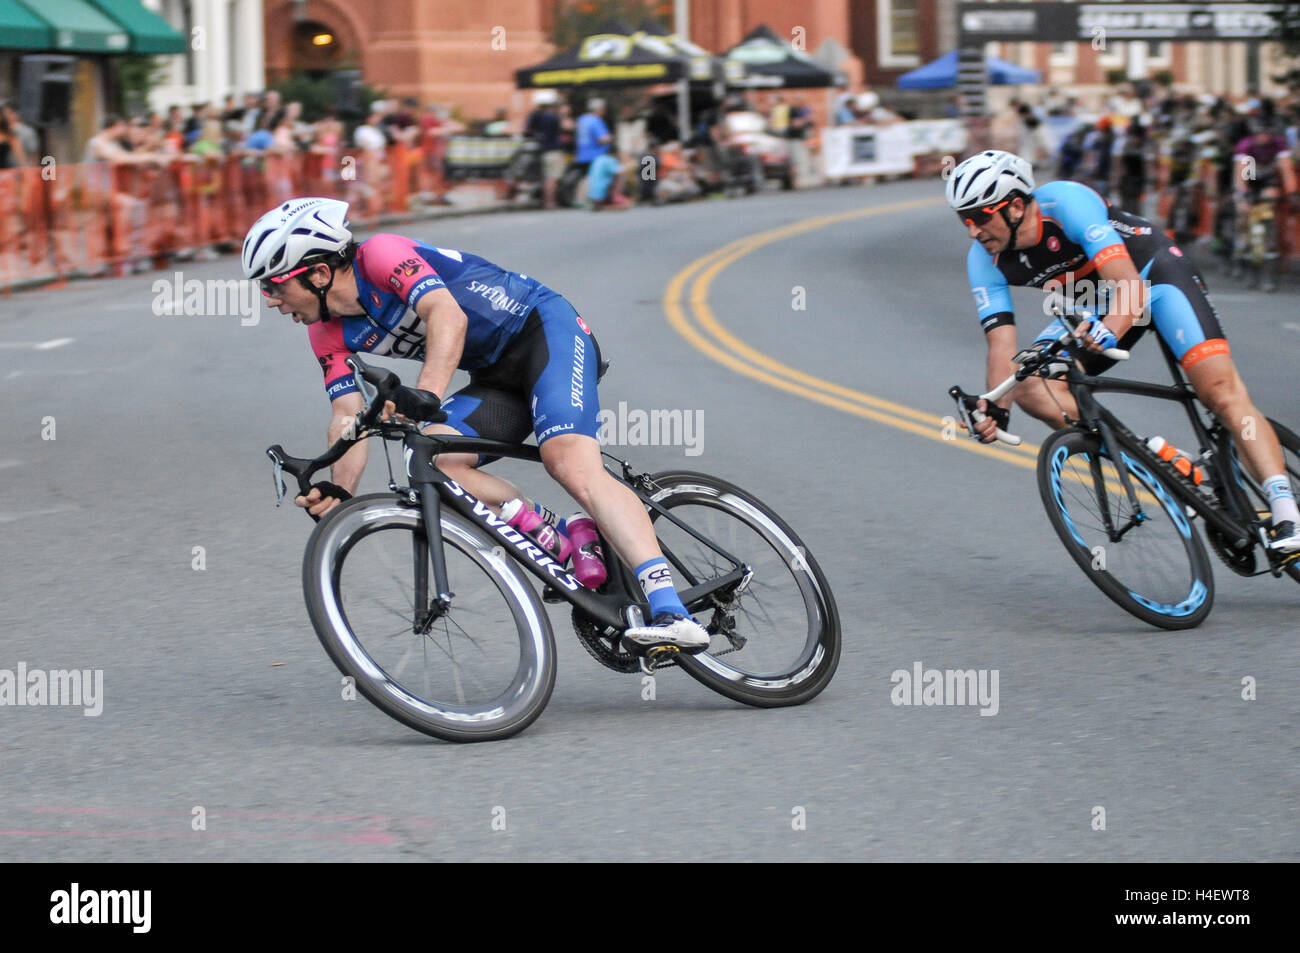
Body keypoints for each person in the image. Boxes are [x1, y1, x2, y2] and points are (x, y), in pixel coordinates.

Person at [240, 197, 714, 650]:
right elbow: (347, 415)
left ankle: (672, 611)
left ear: (320, 273)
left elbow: (446, 314)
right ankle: (566, 539)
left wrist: (426, 393)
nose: (270, 300)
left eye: (275, 285)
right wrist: (341, 489)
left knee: (567, 461)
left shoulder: (381, 255)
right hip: (494, 377)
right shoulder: (324, 333)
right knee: (433, 460)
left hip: (543, 331)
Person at [948, 150, 1299, 552]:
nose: (973, 230)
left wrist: (1111, 332)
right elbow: (1002, 345)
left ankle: (1286, 511)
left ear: (1013, 206)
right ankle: (1157, 459)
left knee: (1219, 392)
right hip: (1091, 300)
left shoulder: (1066, 203)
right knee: (1033, 386)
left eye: (979, 216)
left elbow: (1130, 288)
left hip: (1153, 276)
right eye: (964, 219)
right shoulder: (984, 259)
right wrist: (996, 407)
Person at [524, 90, 564, 209]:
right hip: (553, 150)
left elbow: (528, 131)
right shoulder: (553, 117)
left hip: (539, 150)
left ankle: (545, 200)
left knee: (545, 177)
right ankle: (550, 202)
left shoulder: (533, 116)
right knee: (552, 178)